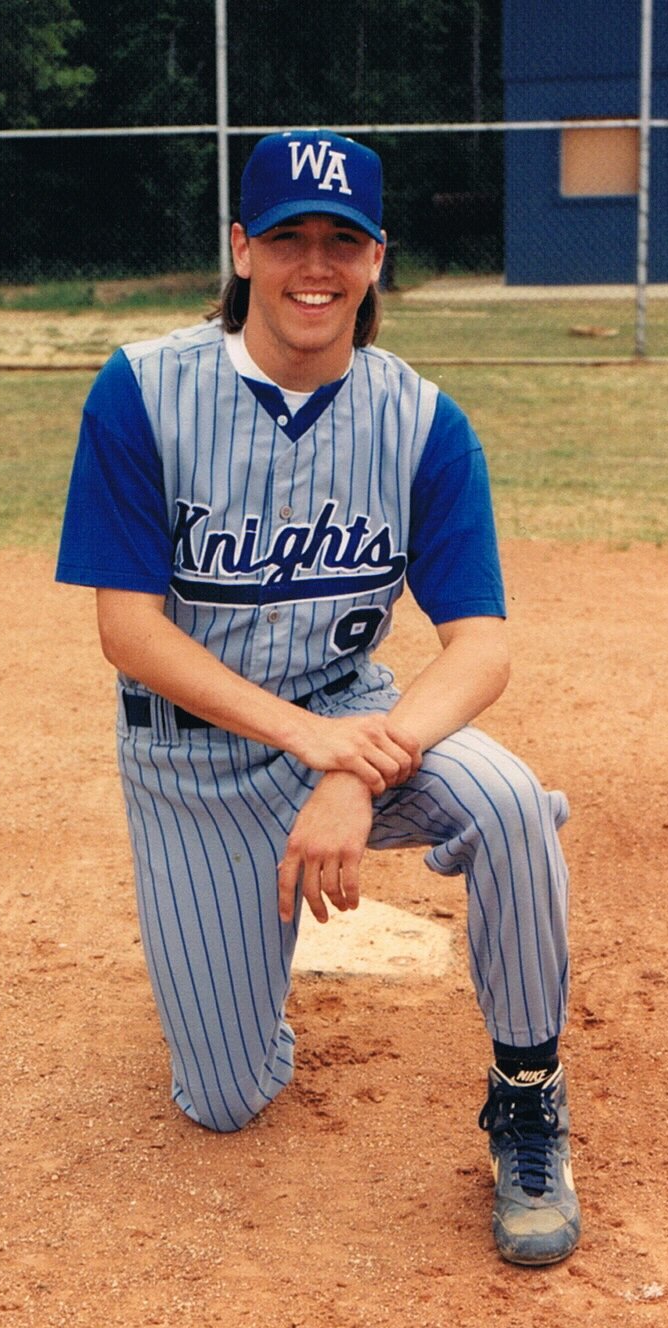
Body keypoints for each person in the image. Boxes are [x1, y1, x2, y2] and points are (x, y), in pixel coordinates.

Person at [55, 130, 580, 1265]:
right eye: (287, 234)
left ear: (376, 258)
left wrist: (346, 769)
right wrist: (312, 742)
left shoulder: (423, 420)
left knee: (512, 802)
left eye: (340, 239)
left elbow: (479, 645)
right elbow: (128, 629)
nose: (313, 263)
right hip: (191, 768)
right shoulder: (143, 390)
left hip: (360, 726)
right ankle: (246, 953)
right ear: (241, 248)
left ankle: (528, 1100)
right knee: (224, 1096)